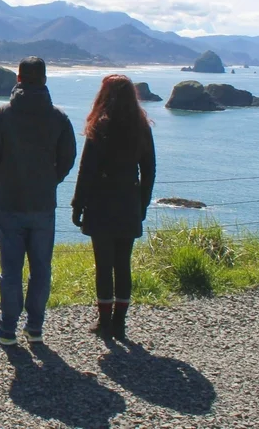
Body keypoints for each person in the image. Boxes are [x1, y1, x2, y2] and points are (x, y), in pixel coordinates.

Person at [0, 57, 77, 345]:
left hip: (9, 201)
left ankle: (7, 328)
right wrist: (50, 180)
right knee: (41, 267)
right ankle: (34, 327)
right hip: (43, 202)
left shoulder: (3, 115)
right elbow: (67, 159)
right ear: (44, 80)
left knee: (11, 268)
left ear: (18, 78)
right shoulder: (58, 118)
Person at [71, 75, 156, 341]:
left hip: (102, 201)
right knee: (123, 263)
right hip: (129, 200)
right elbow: (149, 170)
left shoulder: (101, 125)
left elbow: (86, 170)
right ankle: (120, 322)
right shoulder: (142, 127)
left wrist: (78, 204)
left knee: (104, 264)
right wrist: (142, 203)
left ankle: (104, 320)